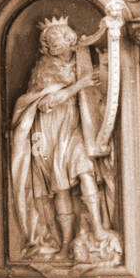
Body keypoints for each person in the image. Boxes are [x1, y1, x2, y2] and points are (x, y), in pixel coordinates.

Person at [9, 15, 121, 263]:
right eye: (50, 43)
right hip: (52, 132)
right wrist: (78, 85)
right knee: (60, 187)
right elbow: (47, 103)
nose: (55, 46)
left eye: (59, 41)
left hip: (74, 129)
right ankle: (65, 243)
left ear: (70, 42)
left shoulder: (81, 62)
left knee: (85, 172)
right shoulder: (45, 69)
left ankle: (99, 229)